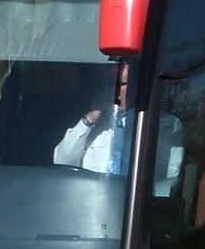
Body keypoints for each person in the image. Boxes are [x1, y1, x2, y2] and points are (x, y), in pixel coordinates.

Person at [54, 62, 185, 194]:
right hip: (90, 204)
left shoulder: (164, 124)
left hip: (135, 207)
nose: (114, 91)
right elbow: (62, 163)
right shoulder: (89, 123)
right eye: (110, 84)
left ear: (137, 87)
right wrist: (89, 119)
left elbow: (169, 178)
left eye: (121, 84)